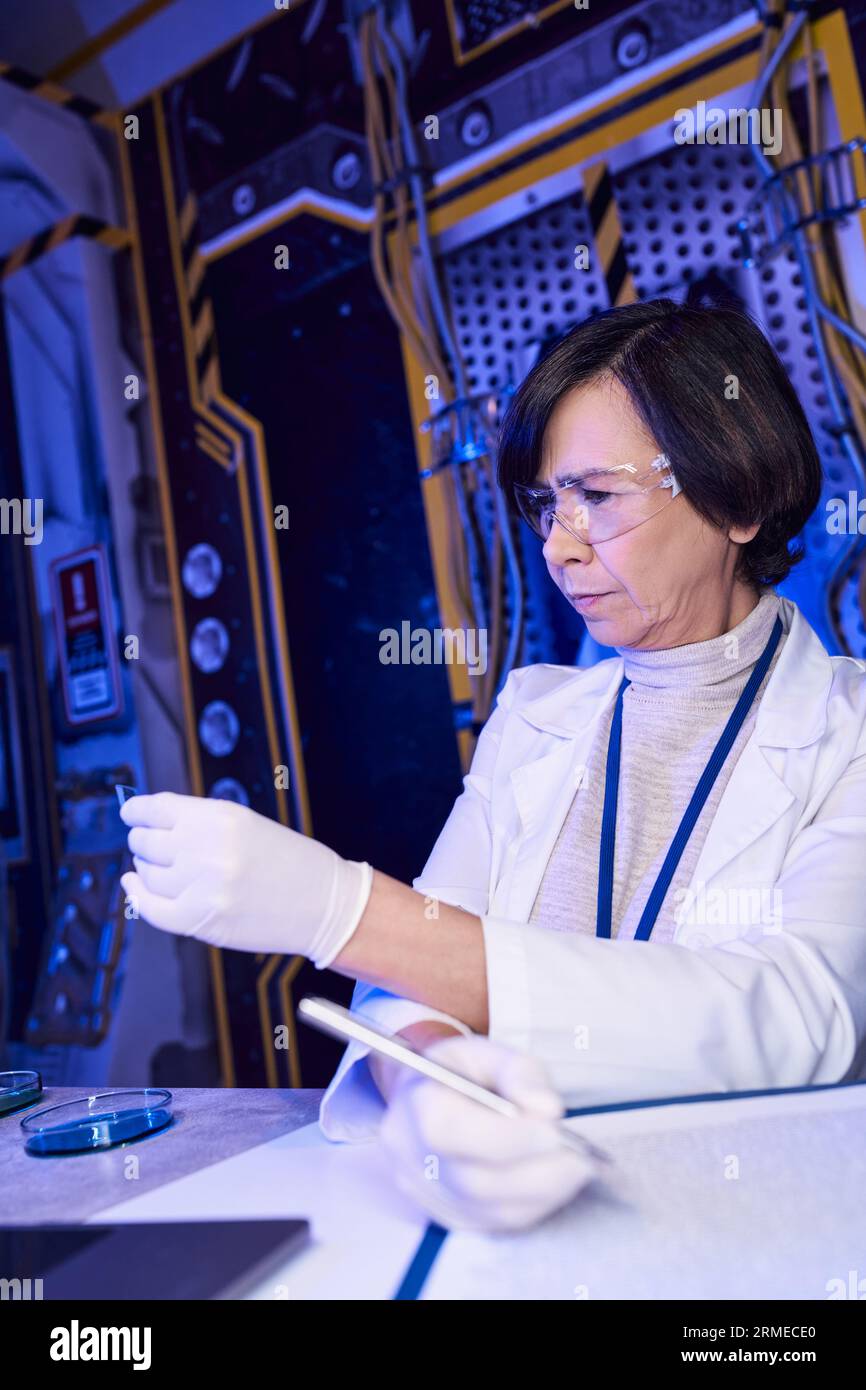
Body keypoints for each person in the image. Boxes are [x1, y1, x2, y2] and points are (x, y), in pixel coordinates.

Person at [120, 298, 866, 1233]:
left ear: (741, 500)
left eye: (597, 497)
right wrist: (430, 1081)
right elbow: (404, 981)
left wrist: (342, 908)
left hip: (760, 1234)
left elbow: (795, 1021)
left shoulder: (849, 733)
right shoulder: (535, 719)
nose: (560, 544)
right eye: (548, 506)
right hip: (533, 1234)